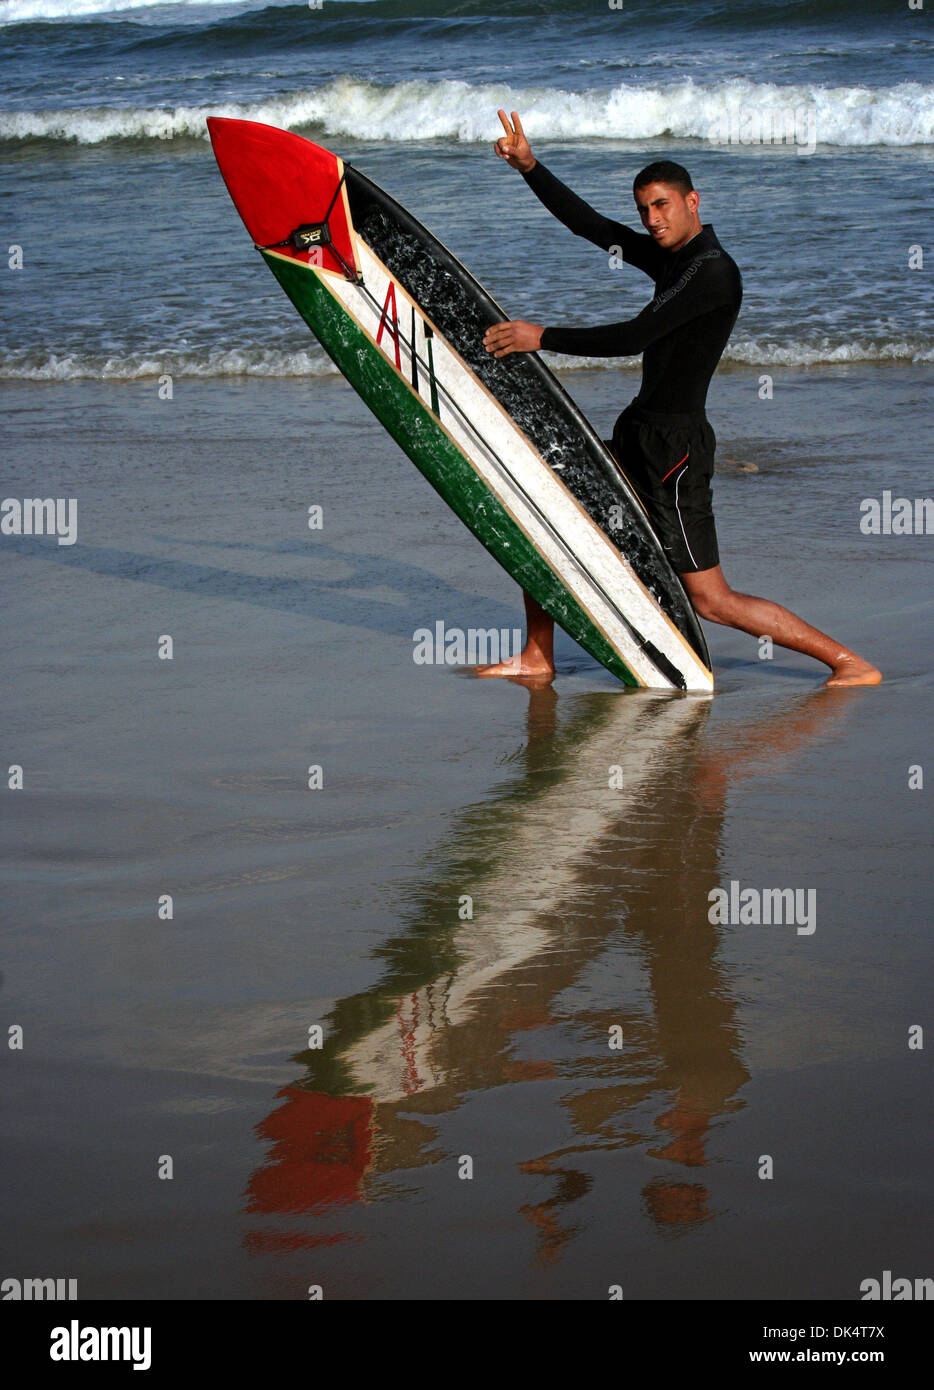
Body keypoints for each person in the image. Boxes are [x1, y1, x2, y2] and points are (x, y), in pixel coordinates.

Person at [479, 110, 881, 688]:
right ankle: (537, 658)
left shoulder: (712, 272)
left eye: (662, 205)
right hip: (638, 430)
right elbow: (593, 227)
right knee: (550, 515)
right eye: (644, 209)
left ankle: (849, 663)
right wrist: (530, 168)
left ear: (694, 201)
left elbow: (635, 336)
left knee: (712, 599)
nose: (651, 219)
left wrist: (539, 337)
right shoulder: (673, 257)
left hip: (677, 452)